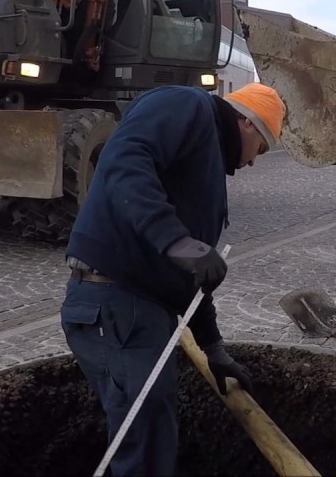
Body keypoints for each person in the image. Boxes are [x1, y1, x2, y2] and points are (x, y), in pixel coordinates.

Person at [60, 82, 285, 476]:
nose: (252, 162)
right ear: (248, 124)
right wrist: (175, 240)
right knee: (145, 443)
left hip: (138, 307)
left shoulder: (205, 162)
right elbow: (124, 160)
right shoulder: (188, 105)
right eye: (261, 150)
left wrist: (213, 345)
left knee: (152, 437)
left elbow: (187, 278)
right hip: (116, 301)